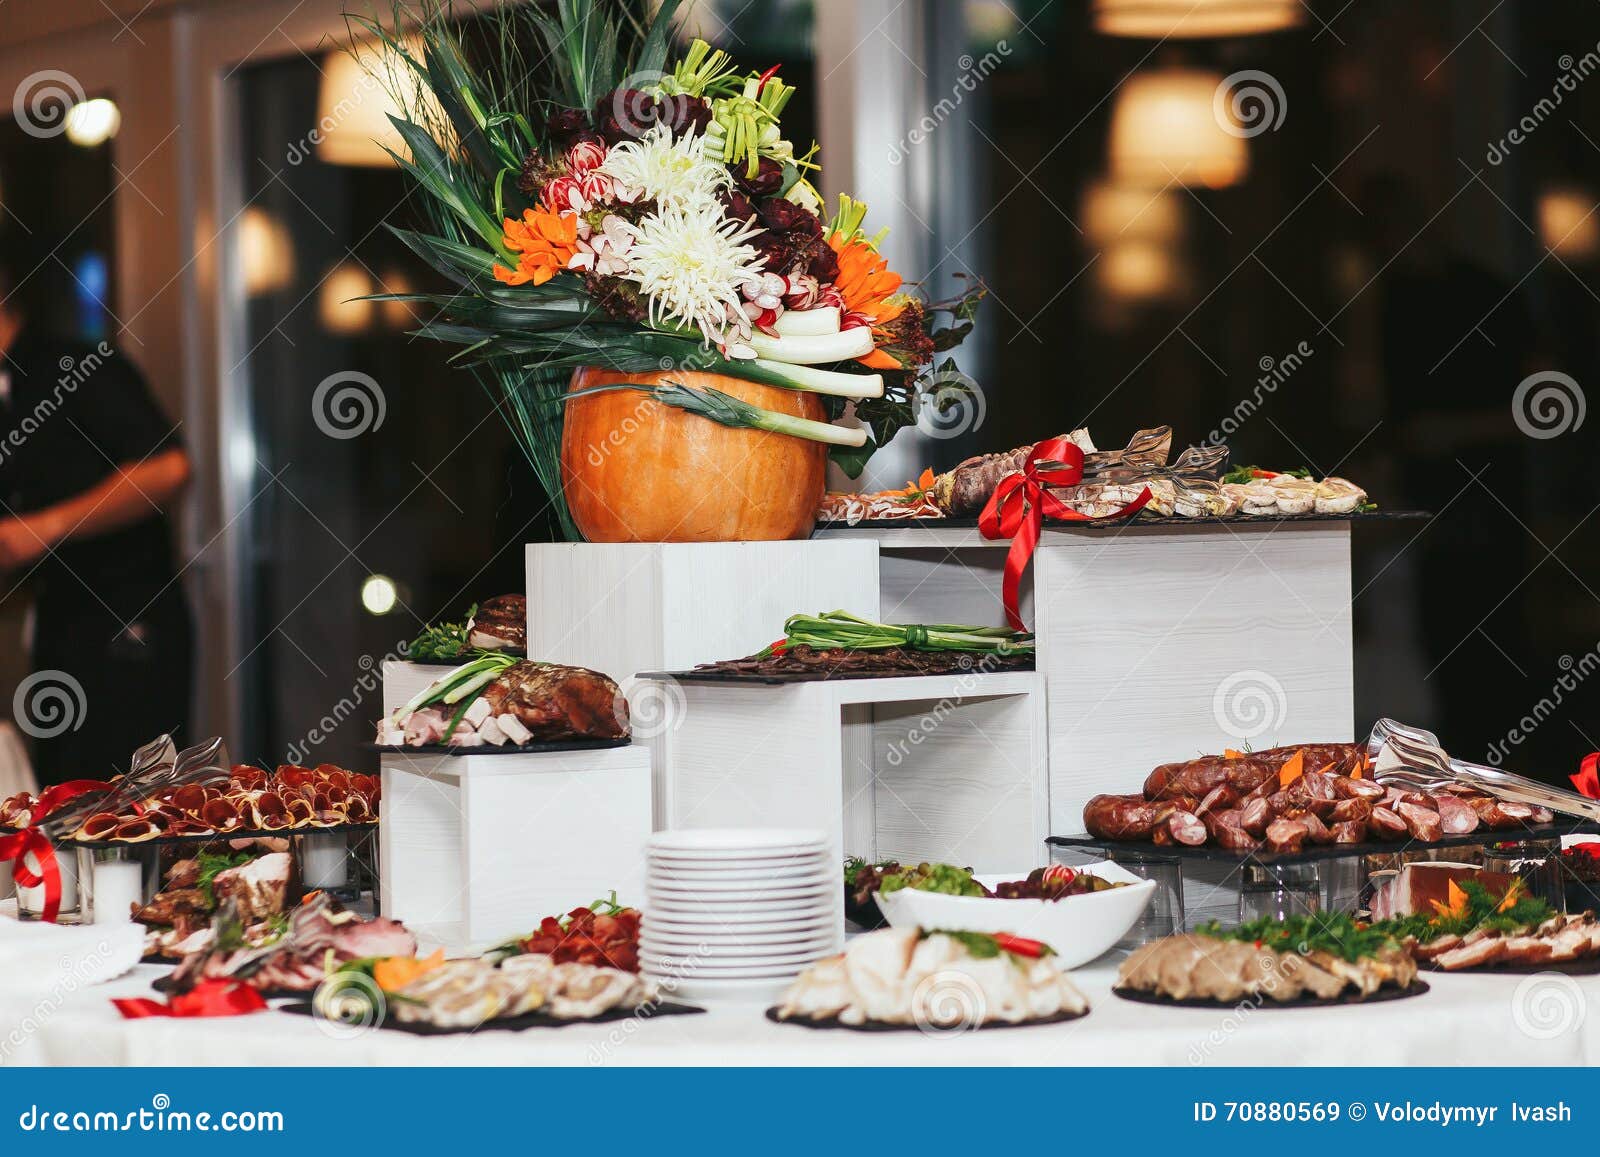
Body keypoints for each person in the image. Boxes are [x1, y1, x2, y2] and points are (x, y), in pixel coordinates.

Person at [0, 244, 194, 786]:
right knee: (64, 803)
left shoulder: (74, 363)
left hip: (127, 627)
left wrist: (43, 529)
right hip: (58, 629)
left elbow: (170, 469)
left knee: (135, 811)